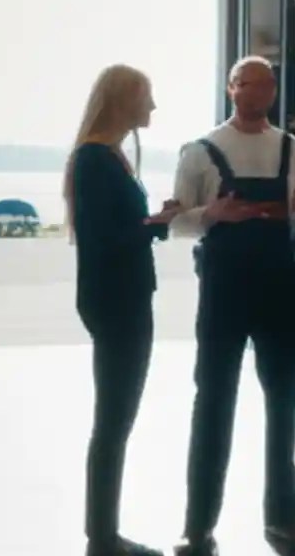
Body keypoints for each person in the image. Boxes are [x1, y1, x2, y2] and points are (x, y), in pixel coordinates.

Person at [168, 55, 295, 556]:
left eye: (267, 84)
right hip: (224, 287)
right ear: (232, 88)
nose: (259, 92)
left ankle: (284, 519)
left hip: (280, 284)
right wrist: (214, 212)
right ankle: (198, 526)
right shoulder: (200, 151)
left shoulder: (293, 149)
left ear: (274, 91)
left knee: (283, 401)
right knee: (213, 401)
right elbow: (177, 221)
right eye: (249, 83)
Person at [63, 64, 182, 556]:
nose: (152, 107)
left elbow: (113, 231)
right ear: (122, 102)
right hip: (118, 302)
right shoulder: (95, 160)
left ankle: (104, 533)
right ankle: (103, 538)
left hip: (122, 298)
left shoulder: (107, 157)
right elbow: (105, 240)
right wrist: (155, 223)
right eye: (146, 97)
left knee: (115, 419)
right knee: (114, 421)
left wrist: (156, 221)